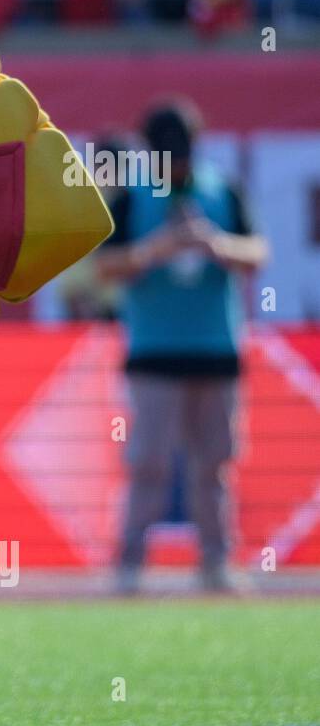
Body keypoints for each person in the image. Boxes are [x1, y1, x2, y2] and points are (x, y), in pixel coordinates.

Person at [95, 100, 269, 594]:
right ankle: (128, 567)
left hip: (216, 349)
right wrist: (157, 249)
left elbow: (258, 251)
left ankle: (216, 564)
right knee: (147, 462)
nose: (178, 166)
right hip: (154, 353)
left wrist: (215, 243)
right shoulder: (133, 197)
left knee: (214, 463)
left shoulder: (221, 190)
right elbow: (103, 266)